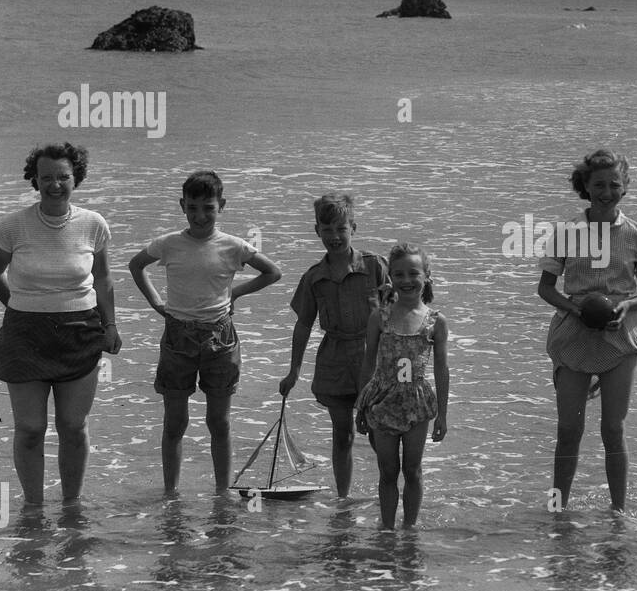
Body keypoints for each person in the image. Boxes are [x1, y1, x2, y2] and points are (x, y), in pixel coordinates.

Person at [0, 142, 122, 507]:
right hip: (24, 338)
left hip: (81, 333)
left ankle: (71, 506)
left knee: (73, 428)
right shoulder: (12, 226)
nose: (55, 184)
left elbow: (104, 279)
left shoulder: (94, 224)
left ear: (76, 178)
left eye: (63, 176)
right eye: (47, 177)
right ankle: (33, 508)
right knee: (30, 429)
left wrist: (111, 325)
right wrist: (19, 308)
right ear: (35, 179)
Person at [128, 171, 281, 493]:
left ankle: (222, 492)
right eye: (193, 207)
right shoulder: (168, 243)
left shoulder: (234, 246)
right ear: (182, 205)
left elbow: (272, 272)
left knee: (219, 423)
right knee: (175, 423)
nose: (200, 216)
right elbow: (135, 265)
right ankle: (171, 492)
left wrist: (235, 292)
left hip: (221, 339)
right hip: (177, 337)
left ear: (221, 206)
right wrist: (156, 301)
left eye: (208, 208)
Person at [537, 148, 637, 514]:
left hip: (620, 337)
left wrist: (627, 305)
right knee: (569, 430)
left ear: (625, 188)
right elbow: (545, 288)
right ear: (585, 187)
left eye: (614, 184)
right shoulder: (566, 231)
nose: (606, 191)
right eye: (599, 184)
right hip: (573, 334)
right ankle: (558, 509)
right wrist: (574, 308)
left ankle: (618, 512)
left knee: (613, 429)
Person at [279, 193, 389, 497]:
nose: (334, 236)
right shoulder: (314, 278)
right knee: (342, 434)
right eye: (326, 230)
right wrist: (294, 371)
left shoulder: (376, 266)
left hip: (374, 358)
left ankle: (389, 493)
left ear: (353, 227)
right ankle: (344, 500)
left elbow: (400, 311)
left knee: (381, 435)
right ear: (317, 232)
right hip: (335, 360)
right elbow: (303, 325)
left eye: (341, 228)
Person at [355, 244, 449, 529]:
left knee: (412, 469)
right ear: (390, 279)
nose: (406, 280)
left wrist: (442, 415)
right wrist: (361, 406)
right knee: (387, 471)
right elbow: (368, 362)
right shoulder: (380, 317)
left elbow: (441, 370)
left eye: (413, 273)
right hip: (382, 400)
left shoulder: (435, 321)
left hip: (417, 403)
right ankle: (386, 529)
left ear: (426, 276)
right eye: (399, 274)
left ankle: (408, 530)